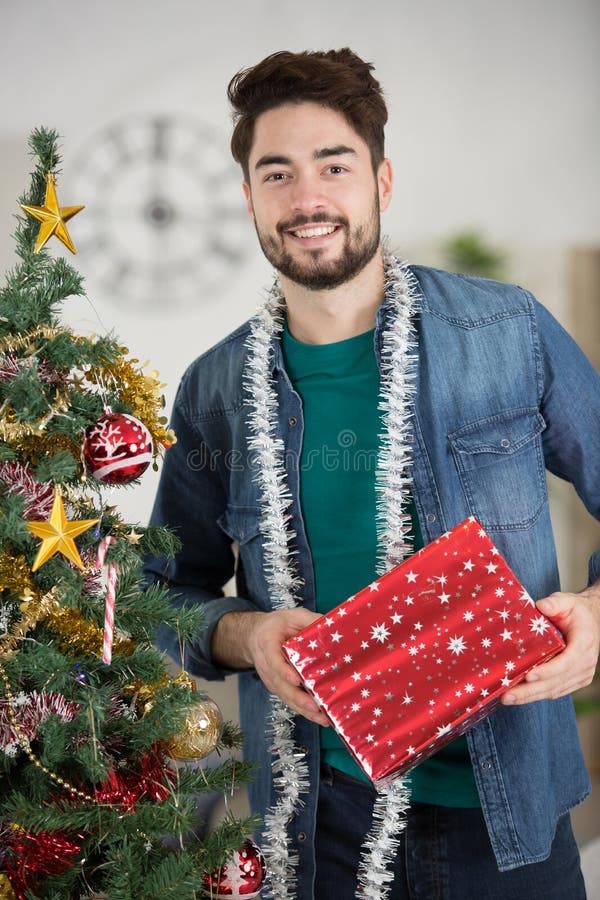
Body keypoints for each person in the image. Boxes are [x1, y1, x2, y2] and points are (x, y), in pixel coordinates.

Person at [144, 49, 600, 899]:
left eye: (333, 165)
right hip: (320, 826)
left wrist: (596, 614)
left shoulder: (509, 333)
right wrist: (250, 638)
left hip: (508, 823)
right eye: (276, 172)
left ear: (382, 182)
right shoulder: (214, 390)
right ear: (247, 197)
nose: (306, 198)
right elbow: (163, 589)